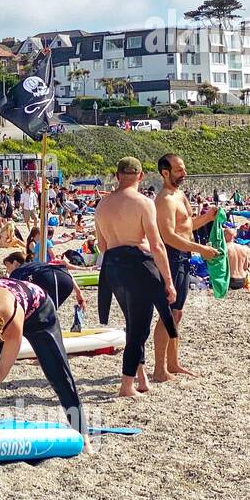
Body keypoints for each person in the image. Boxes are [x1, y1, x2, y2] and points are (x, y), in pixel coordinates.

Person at [0, 275, 86, 436]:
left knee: (58, 373)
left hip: (38, 311)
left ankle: (83, 432)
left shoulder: (13, 324)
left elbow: (2, 370)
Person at [94, 157, 178, 398]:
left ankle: (141, 378)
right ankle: (126, 385)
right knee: (139, 329)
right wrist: (169, 282)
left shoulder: (102, 205)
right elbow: (157, 245)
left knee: (133, 321)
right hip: (137, 265)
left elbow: (102, 245)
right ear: (141, 176)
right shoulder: (143, 203)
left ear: (117, 175)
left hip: (112, 268)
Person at [152, 153, 220, 382]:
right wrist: (201, 250)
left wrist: (208, 218)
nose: (184, 173)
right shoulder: (164, 200)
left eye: (184, 168)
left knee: (177, 312)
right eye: (179, 170)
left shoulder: (179, 195)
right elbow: (169, 236)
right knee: (168, 313)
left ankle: (173, 363)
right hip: (170, 257)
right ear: (165, 173)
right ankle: (159, 369)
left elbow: (186, 226)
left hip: (182, 256)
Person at [2, 251, 86, 310]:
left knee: (46, 313)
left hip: (51, 280)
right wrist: (78, 293)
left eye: (7, 266)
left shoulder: (18, 272)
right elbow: (63, 269)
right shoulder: (35, 264)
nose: (7, 270)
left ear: (15, 263)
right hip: (66, 280)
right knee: (46, 312)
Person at [224, 226, 250, 291]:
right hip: (242, 280)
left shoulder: (224, 248)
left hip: (229, 281)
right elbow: (246, 267)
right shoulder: (243, 248)